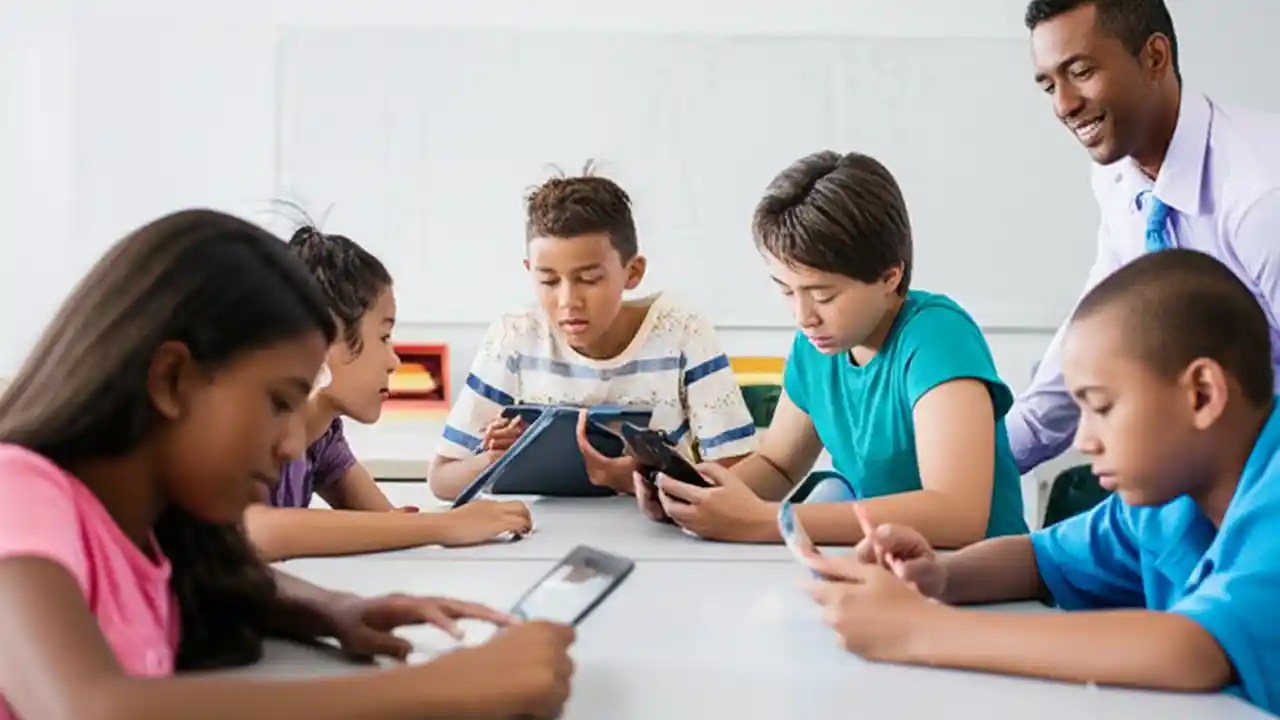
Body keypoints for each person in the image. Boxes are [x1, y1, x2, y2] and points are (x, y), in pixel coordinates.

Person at [0, 210, 573, 719]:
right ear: (172, 381)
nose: (291, 448)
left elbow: (215, 576)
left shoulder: (150, 529)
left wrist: (336, 609)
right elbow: (86, 708)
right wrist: (439, 692)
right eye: (277, 403)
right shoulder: (17, 489)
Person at [810, 251, 1279, 714]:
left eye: (1102, 407)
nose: (1084, 439)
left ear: (1202, 394)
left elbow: (1194, 651)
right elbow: (1037, 559)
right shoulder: (1165, 501)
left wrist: (918, 630)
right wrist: (939, 578)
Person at [639, 151, 1026, 545]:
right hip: (886, 573)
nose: (803, 315)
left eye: (822, 295)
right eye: (786, 290)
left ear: (890, 277)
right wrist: (696, 499)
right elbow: (778, 465)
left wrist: (771, 520)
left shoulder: (938, 338)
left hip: (978, 583)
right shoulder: (817, 346)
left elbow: (957, 516)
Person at [1008, 0, 1280, 474]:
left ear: (1155, 57)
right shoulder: (1122, 179)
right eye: (1050, 84)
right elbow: (1100, 327)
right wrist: (976, 465)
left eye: (1081, 71)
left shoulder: (1260, 197)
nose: (1064, 104)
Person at [429, 170, 757, 500]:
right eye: (549, 281)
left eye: (589, 279)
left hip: (661, 531)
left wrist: (626, 477)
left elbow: (739, 476)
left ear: (633, 272)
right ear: (530, 272)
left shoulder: (682, 332)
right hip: (541, 536)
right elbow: (442, 479)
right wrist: (495, 458)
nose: (568, 300)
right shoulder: (514, 336)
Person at [243, 226, 531, 561]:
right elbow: (259, 530)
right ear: (324, 337)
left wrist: (438, 525)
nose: (394, 360)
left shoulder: (323, 437)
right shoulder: (256, 427)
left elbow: (385, 523)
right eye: (384, 336)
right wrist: (443, 525)